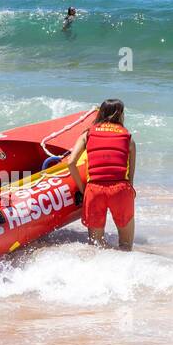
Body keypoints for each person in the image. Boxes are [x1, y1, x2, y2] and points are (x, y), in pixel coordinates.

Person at [65, 98, 137, 251]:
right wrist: (129, 190)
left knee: (96, 246)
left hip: (94, 190)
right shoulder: (128, 138)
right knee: (125, 246)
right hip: (120, 190)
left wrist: (83, 189)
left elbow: (71, 162)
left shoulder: (87, 135)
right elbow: (130, 177)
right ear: (121, 115)